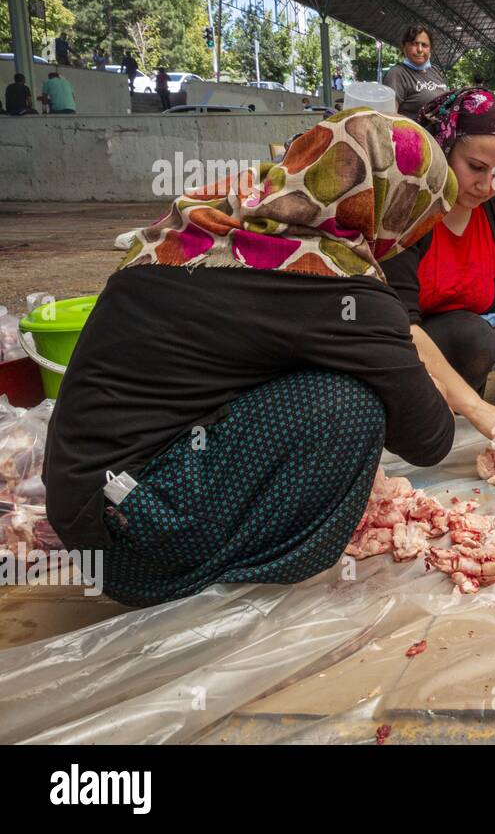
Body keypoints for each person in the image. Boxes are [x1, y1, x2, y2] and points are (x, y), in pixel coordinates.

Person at [43, 109, 462, 607]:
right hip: (136, 545)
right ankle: (234, 574)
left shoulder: (208, 221)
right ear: (390, 201)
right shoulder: (330, 282)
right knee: (349, 406)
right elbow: (431, 438)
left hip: (88, 509)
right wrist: (412, 379)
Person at [382, 87, 495, 422]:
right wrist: (478, 409)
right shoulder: (408, 211)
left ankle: (452, 410)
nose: (487, 185)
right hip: (395, 353)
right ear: (443, 147)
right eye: (475, 167)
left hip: (458, 350)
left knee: (475, 336)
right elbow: (400, 326)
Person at [382, 23, 447, 120]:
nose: (420, 49)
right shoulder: (397, 73)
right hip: (412, 134)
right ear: (404, 47)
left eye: (424, 45)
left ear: (430, 50)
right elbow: (389, 117)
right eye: (414, 44)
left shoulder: (435, 70)